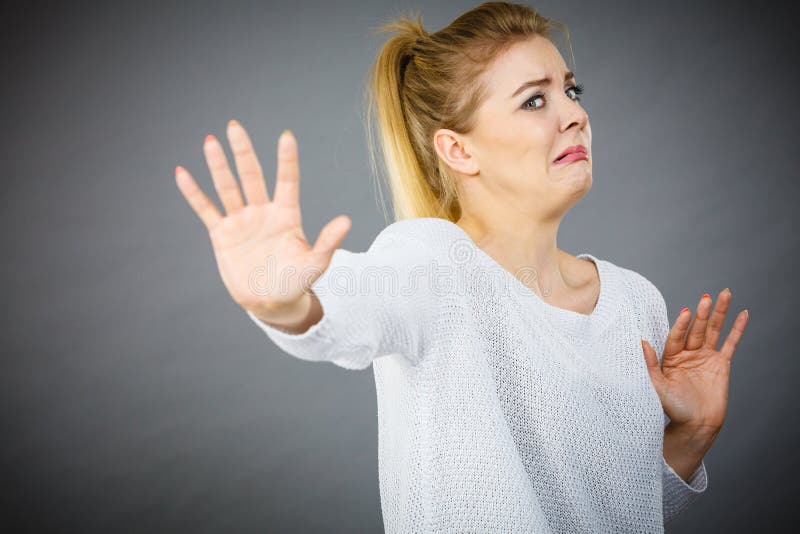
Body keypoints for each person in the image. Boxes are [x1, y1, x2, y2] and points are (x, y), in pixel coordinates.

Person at [174, 2, 749, 532]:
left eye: (572, 90)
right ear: (458, 150)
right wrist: (278, 296)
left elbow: (618, 510)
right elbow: (348, 305)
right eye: (534, 99)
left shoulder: (633, 301)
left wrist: (692, 435)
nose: (574, 115)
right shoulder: (431, 264)